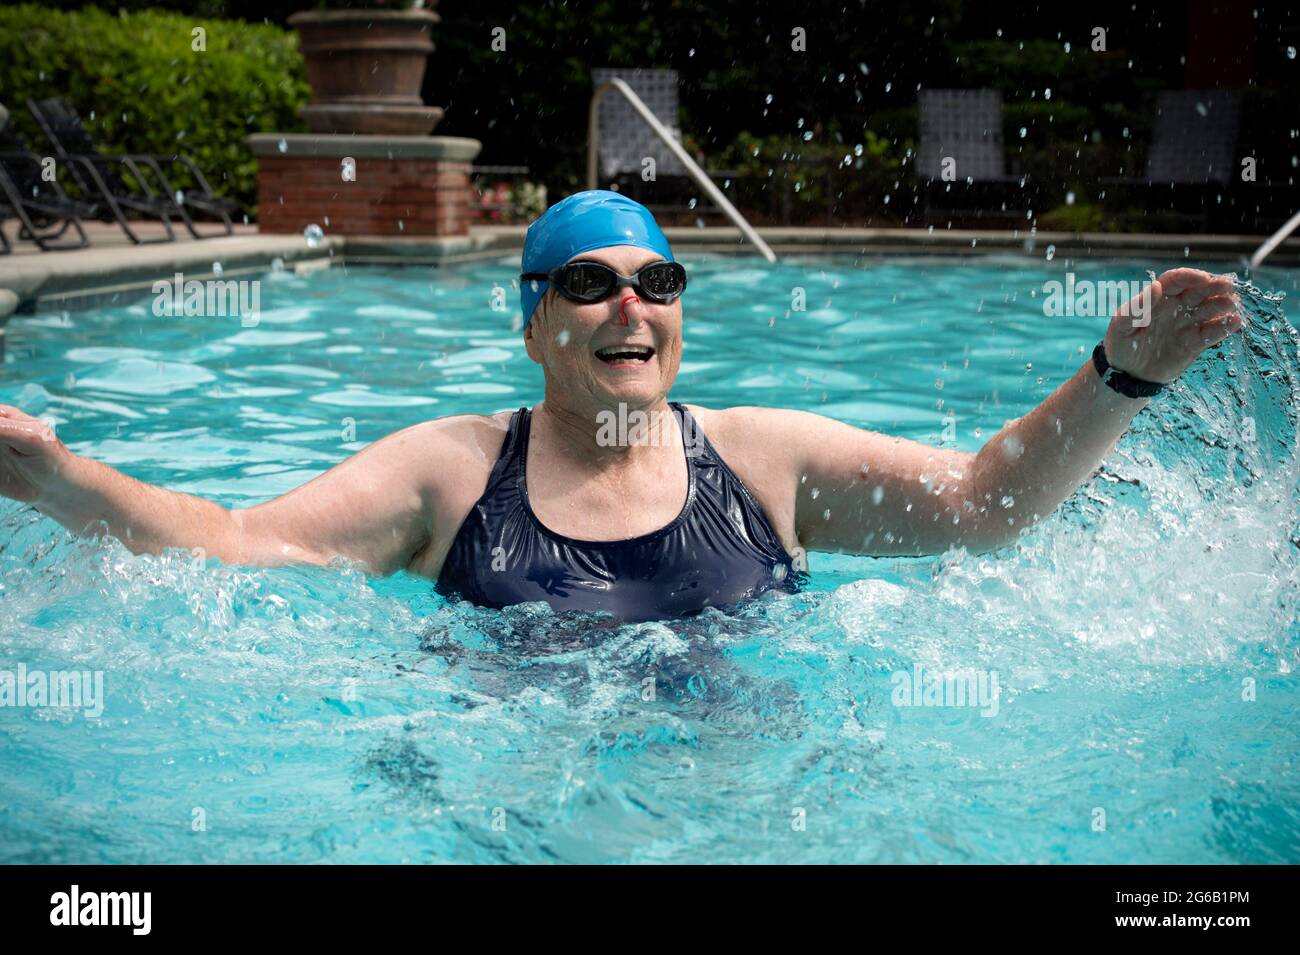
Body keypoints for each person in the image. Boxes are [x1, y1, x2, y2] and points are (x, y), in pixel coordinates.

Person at [0, 191, 1243, 622]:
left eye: (656, 283)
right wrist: (59, 479)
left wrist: (1117, 374)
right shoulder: (448, 473)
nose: (628, 310)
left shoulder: (764, 459)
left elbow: (981, 506)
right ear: (536, 319)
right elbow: (239, 543)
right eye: (589, 286)